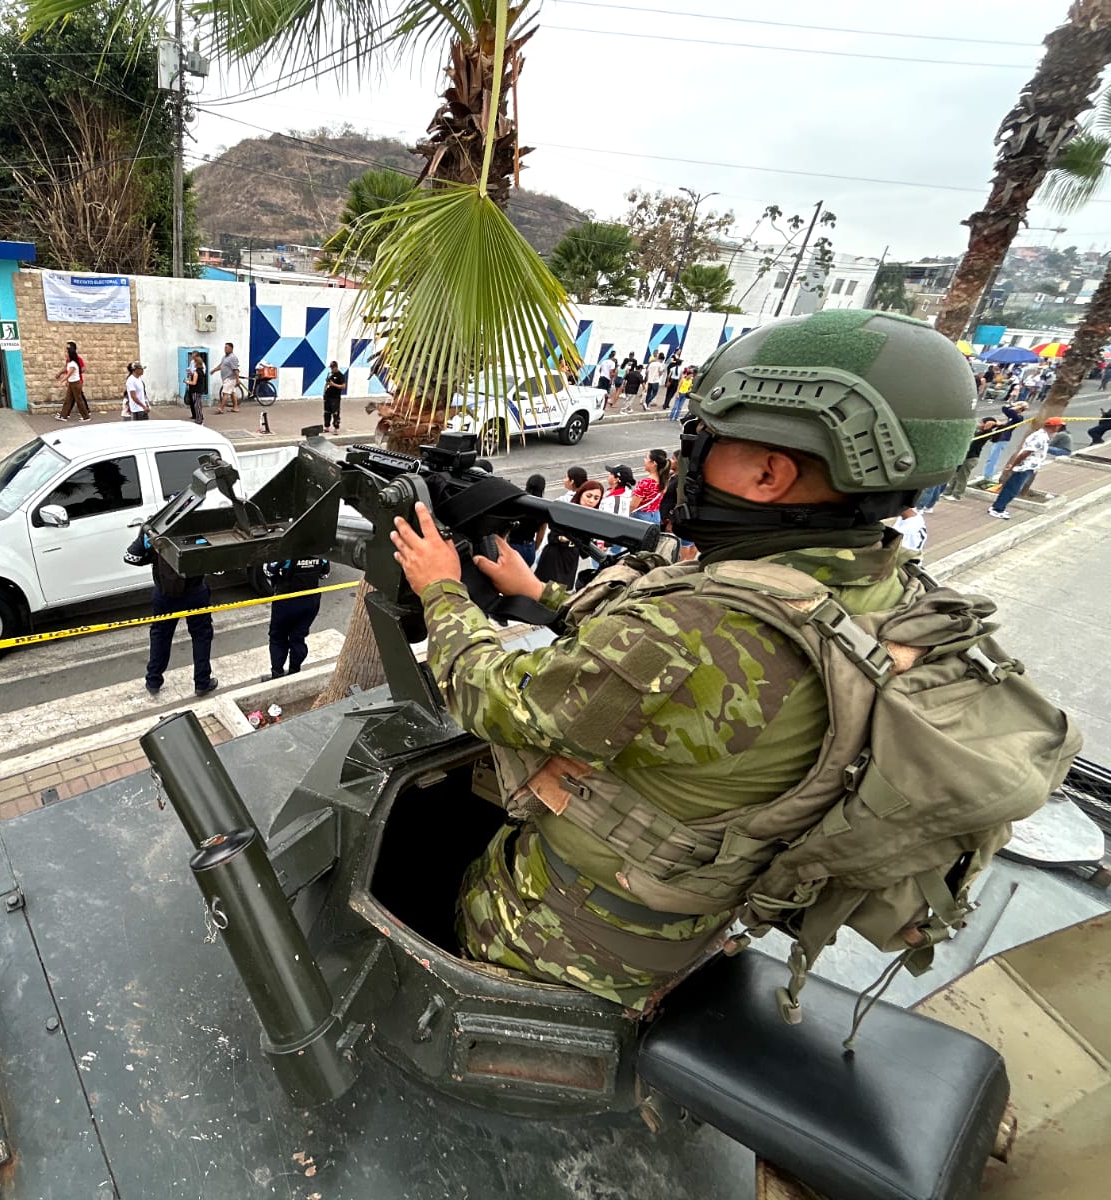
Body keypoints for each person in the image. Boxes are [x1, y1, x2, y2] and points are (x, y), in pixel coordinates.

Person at [387, 308, 981, 1011]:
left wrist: (441, 589)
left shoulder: (693, 632)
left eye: (706, 440)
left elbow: (489, 696)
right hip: (693, 917)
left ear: (770, 472)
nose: (689, 457)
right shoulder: (893, 594)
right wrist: (544, 594)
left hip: (559, 942)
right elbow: (665, 672)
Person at [124, 530, 217, 698]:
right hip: (195, 592)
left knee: (160, 636)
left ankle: (153, 681)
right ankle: (202, 683)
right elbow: (218, 569)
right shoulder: (199, 527)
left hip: (164, 595)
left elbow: (131, 557)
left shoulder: (154, 529)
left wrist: (152, 555)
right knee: (201, 636)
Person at [264, 557, 331, 679]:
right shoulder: (321, 553)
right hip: (310, 601)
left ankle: (277, 673)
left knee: (278, 637)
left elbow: (268, 571)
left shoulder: (286, 553)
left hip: (286, 600)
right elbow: (324, 574)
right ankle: (294, 671)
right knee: (298, 637)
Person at [989, 416, 1065, 520]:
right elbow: (1025, 453)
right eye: (1059, 426)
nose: (1060, 428)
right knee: (1012, 489)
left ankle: (999, 507)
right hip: (1025, 467)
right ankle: (997, 509)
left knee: (1012, 488)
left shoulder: (1042, 435)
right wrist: (1013, 465)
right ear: (1055, 426)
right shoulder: (1040, 437)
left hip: (1028, 466)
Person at [947, 416, 998, 501]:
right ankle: (947, 492)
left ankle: (957, 495)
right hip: (963, 456)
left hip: (970, 458)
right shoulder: (978, 431)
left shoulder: (986, 434)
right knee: (955, 475)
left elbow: (991, 424)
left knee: (962, 477)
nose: (979, 424)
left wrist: (991, 423)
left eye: (982, 422)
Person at [979, 399, 1029, 483]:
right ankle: (987, 475)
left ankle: (988, 476)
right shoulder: (1011, 417)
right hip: (999, 437)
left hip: (1003, 438)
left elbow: (1010, 411)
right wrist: (1012, 405)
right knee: (992, 457)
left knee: (993, 458)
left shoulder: (1018, 418)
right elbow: (1004, 408)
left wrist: (1016, 406)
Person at [507, 474, 546, 566]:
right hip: (529, 547)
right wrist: (534, 548)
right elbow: (541, 534)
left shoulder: (519, 501)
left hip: (513, 544)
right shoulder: (542, 507)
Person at [631, 449, 669, 524]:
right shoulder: (663, 480)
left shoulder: (646, 483)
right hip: (656, 515)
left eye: (646, 458)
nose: (644, 460)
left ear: (654, 463)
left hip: (641, 517)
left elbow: (633, 506)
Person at [56, 342, 90, 421]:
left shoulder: (73, 364)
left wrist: (61, 382)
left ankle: (86, 416)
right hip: (72, 383)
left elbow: (69, 374)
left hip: (76, 383)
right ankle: (63, 415)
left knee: (79, 400)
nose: (65, 353)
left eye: (66, 352)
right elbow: (66, 371)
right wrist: (60, 374)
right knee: (68, 400)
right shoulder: (70, 362)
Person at [213, 341, 243, 413]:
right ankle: (235, 407)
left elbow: (236, 369)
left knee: (225, 393)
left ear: (231, 349)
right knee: (232, 393)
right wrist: (214, 370)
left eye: (226, 348)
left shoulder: (233, 358)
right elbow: (221, 365)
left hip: (230, 378)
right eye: (225, 347)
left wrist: (237, 380)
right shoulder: (224, 357)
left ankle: (221, 409)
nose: (225, 349)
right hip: (226, 378)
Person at [323, 359, 348, 432]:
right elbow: (327, 383)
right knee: (327, 412)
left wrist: (334, 384)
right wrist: (324, 393)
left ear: (336, 367)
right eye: (331, 368)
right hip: (328, 396)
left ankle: (336, 428)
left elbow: (343, 386)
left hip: (335, 397)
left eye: (333, 368)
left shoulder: (340, 376)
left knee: (335, 413)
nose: (331, 369)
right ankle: (326, 427)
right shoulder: (330, 374)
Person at [184, 352, 205, 423]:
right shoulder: (201, 371)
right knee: (198, 404)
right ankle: (199, 417)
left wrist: (187, 381)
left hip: (195, 390)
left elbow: (194, 382)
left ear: (197, 363)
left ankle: (199, 419)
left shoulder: (196, 372)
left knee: (197, 405)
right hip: (199, 389)